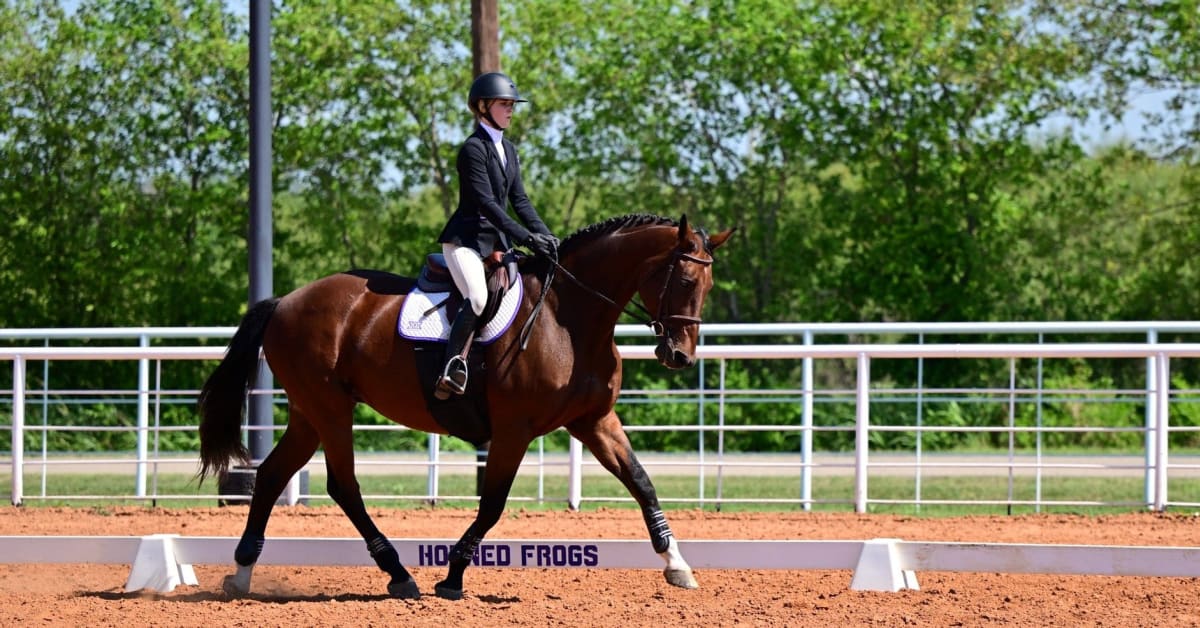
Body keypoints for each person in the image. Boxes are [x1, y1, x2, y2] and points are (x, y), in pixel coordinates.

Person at [434, 71, 560, 398]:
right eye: (504, 104)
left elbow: (520, 200)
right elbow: (488, 204)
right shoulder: (472, 150)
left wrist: (547, 236)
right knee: (478, 297)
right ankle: (452, 366)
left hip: (498, 245)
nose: (511, 109)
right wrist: (525, 237)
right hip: (466, 243)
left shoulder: (510, 150)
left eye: (512, 104)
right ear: (482, 106)